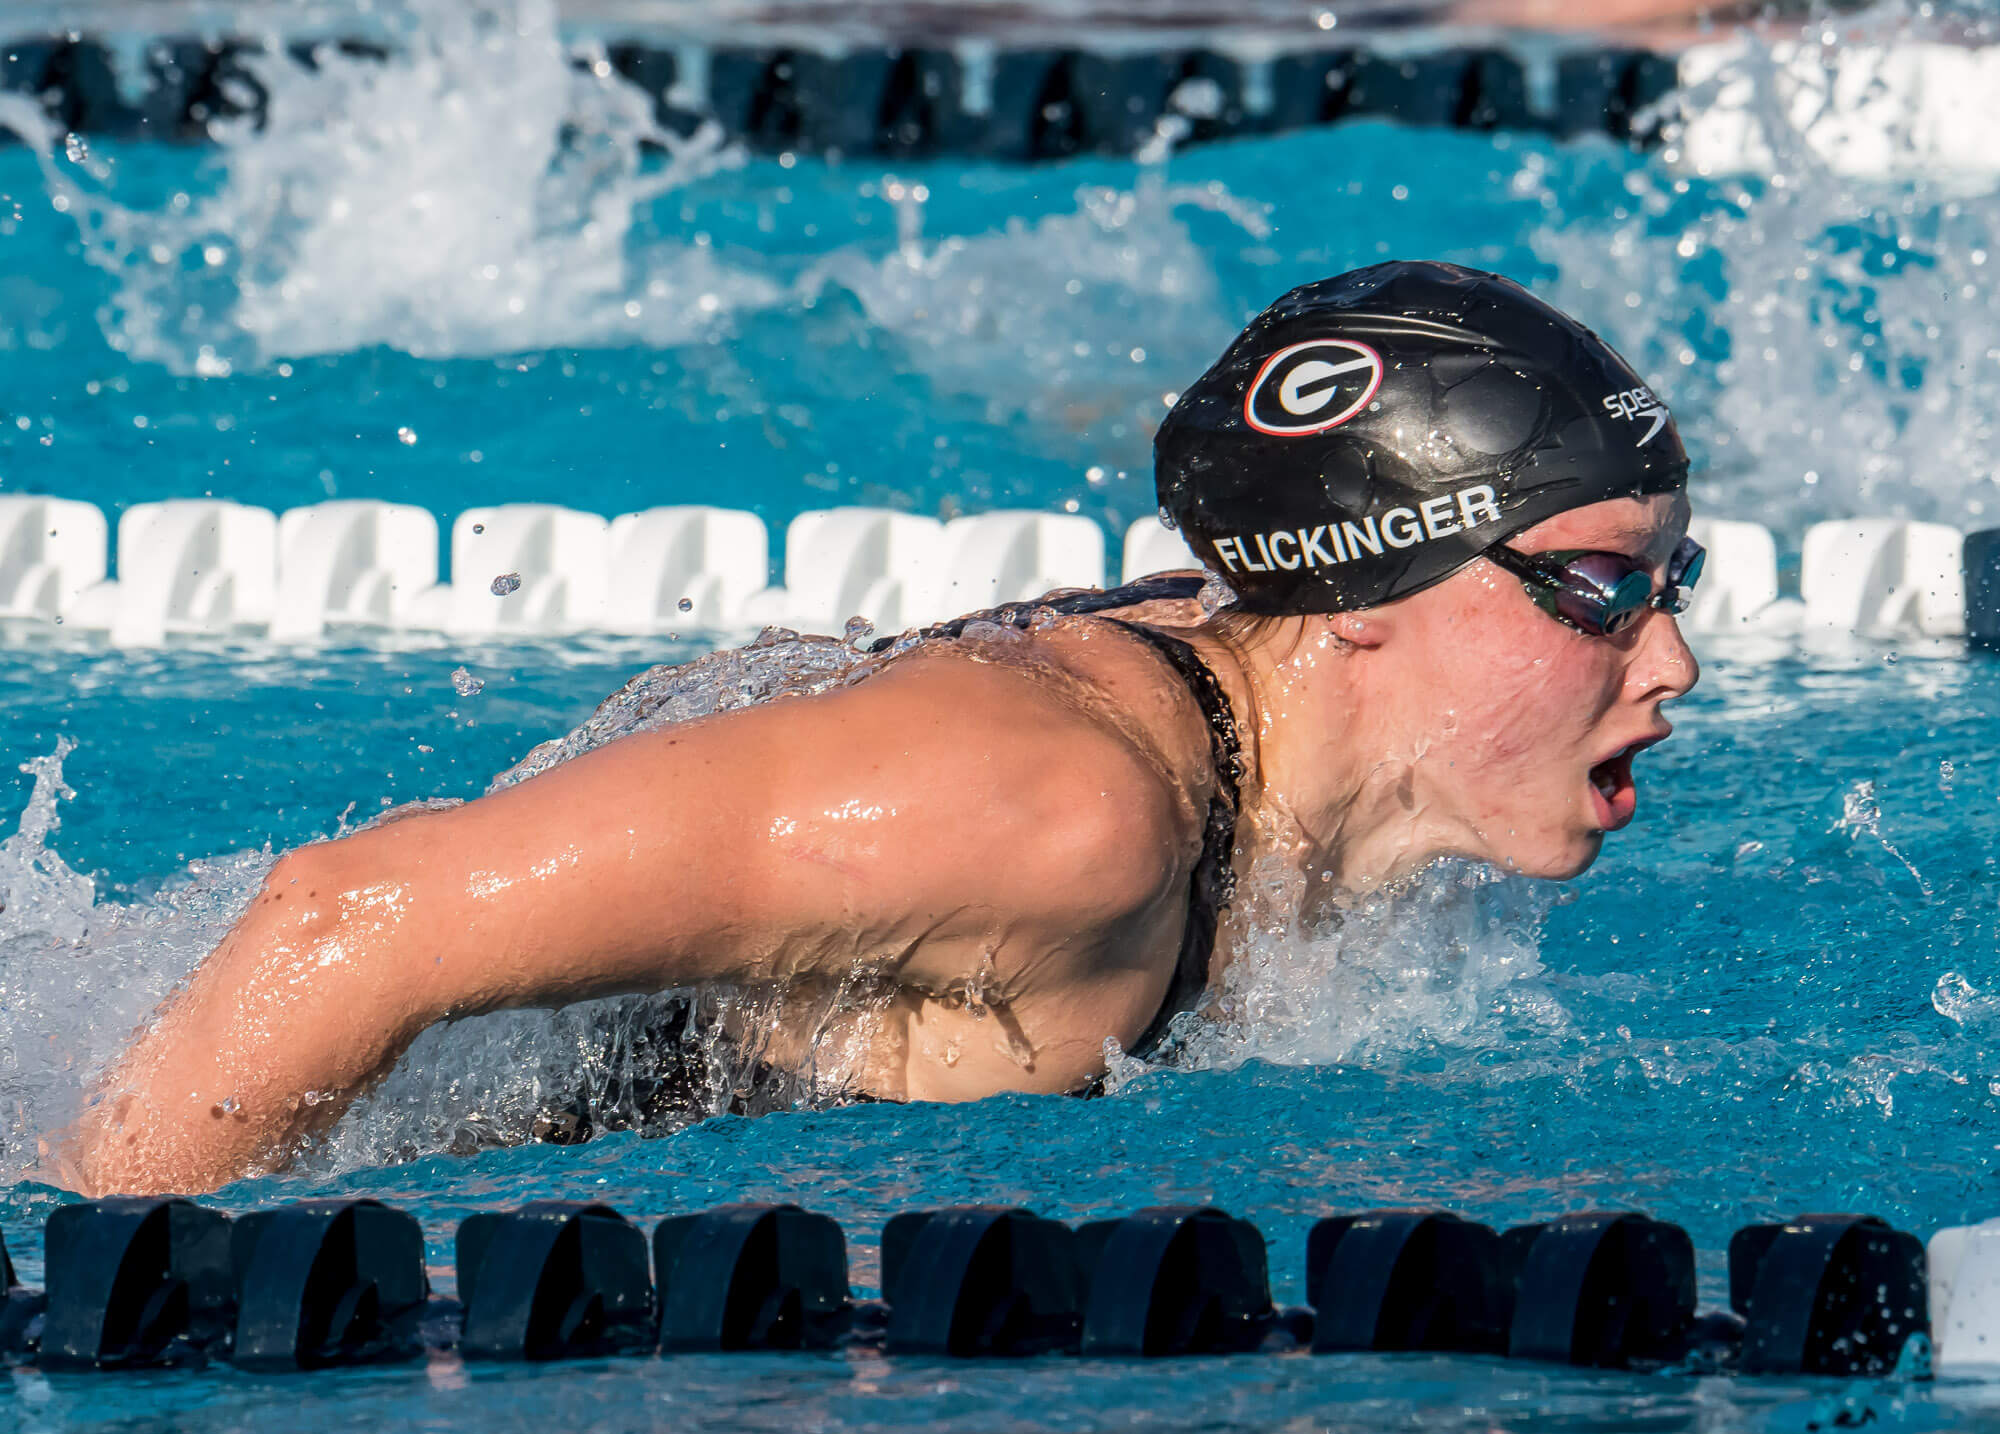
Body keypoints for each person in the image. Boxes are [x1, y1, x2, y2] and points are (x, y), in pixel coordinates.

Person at [52, 261, 1702, 1195]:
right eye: (1600, 589)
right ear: (1363, 587)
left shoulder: (1330, 785)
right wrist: (96, 1320)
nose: (1673, 658)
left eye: (1674, 580)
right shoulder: (1053, 808)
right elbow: (353, 917)